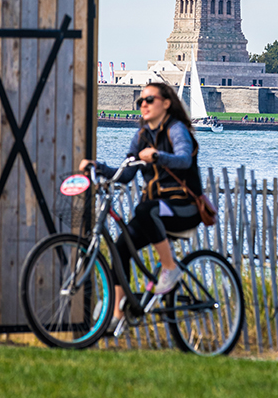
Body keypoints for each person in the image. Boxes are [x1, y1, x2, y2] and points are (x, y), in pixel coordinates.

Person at [79, 81, 202, 331]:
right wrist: (98, 167)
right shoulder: (142, 136)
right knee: (120, 248)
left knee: (145, 209)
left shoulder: (176, 129)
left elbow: (184, 159)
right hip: (156, 212)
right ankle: (117, 313)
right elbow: (125, 174)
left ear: (166, 104)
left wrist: (158, 156)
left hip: (185, 207)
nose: (143, 105)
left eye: (149, 100)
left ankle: (170, 268)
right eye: (140, 101)